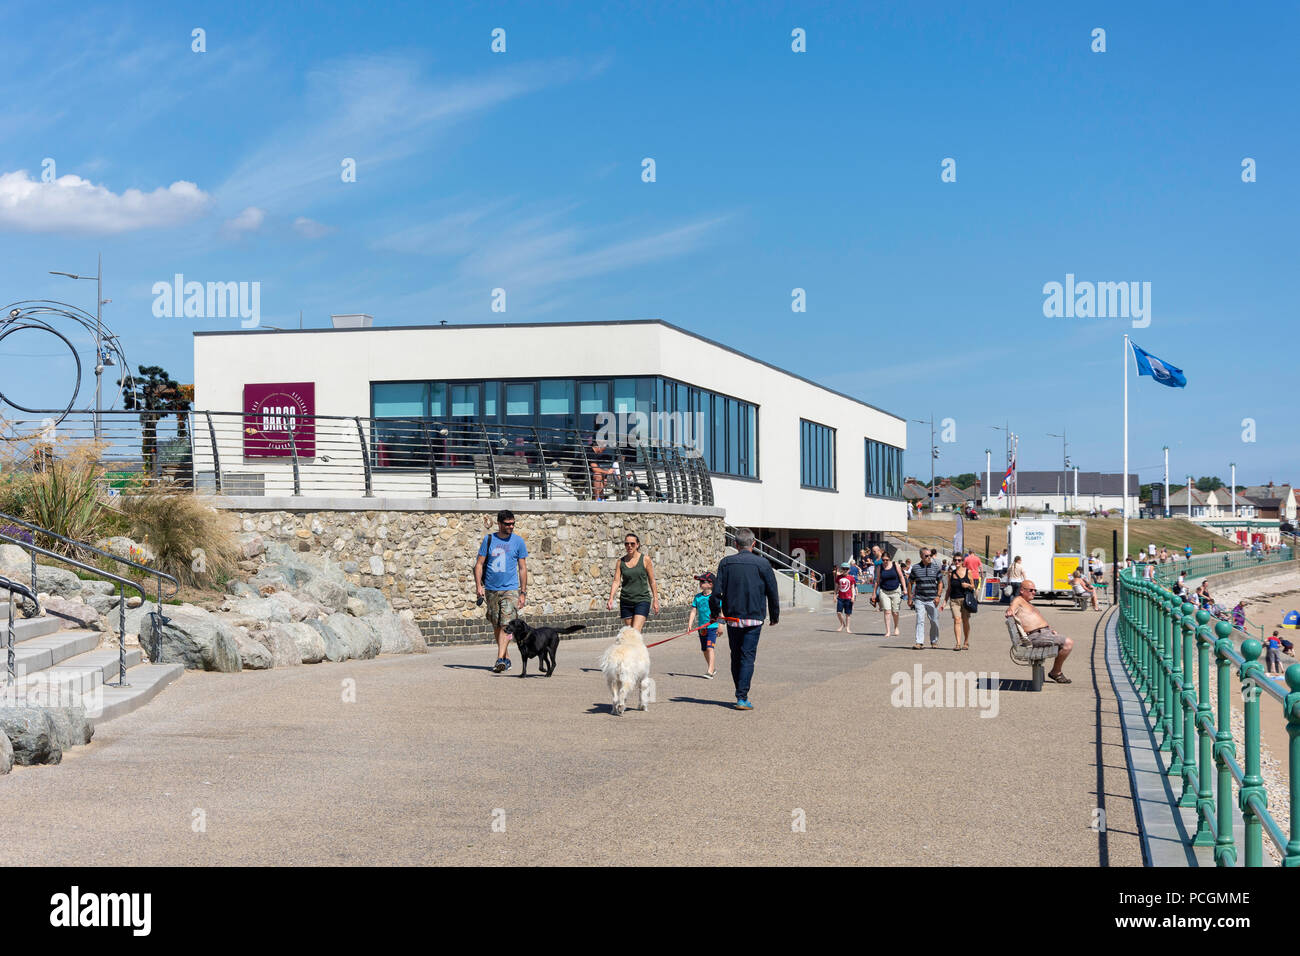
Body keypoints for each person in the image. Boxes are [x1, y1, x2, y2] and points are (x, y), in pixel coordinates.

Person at [713, 527, 781, 710]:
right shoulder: (763, 564)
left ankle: (740, 693)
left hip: (732, 618)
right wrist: (774, 615)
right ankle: (742, 697)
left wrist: (714, 615)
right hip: (754, 617)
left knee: (736, 656)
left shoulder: (726, 563)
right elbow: (772, 592)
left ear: (735, 544)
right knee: (747, 656)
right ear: (754, 543)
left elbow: (716, 593)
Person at [474, 509, 529, 674]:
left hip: (510, 590)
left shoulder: (518, 542)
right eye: (507, 524)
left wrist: (523, 592)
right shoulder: (489, 539)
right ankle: (506, 658)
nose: (511, 527)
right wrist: (478, 586)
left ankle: (499, 660)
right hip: (491, 590)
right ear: (499, 523)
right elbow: (479, 564)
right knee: (497, 625)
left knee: (506, 623)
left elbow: (522, 568)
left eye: (513, 523)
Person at [1006, 579, 1074, 683]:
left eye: (1035, 590)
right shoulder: (1019, 600)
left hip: (1043, 634)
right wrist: (1010, 611)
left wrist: (1050, 630)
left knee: (1066, 642)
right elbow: (1012, 607)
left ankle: (1056, 671)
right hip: (1035, 636)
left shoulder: (1027, 603)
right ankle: (1056, 672)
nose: (1034, 592)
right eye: (1031, 590)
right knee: (1068, 643)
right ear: (1022, 591)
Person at [607, 531, 659, 630]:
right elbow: (616, 581)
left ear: (637, 544)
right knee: (630, 633)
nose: (629, 546)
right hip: (626, 601)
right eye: (627, 544)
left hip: (642, 600)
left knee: (635, 631)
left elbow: (652, 581)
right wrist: (611, 598)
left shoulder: (645, 560)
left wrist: (655, 600)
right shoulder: (620, 562)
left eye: (632, 544)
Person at [907, 548, 944, 649]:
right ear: (921, 557)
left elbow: (940, 582)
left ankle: (934, 641)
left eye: (930, 556)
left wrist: (938, 596)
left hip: (932, 599)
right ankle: (919, 642)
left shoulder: (936, 567)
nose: (929, 558)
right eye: (926, 556)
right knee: (920, 620)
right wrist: (910, 597)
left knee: (934, 621)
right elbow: (910, 582)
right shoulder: (915, 568)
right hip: (919, 598)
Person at [688, 572, 719, 679]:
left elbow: (722, 612)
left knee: (710, 647)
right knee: (704, 649)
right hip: (701, 627)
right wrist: (690, 624)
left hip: (712, 626)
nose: (700, 583)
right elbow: (693, 611)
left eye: (702, 581)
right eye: (699, 581)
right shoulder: (698, 597)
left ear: (710, 584)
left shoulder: (715, 597)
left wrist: (720, 625)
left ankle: (710, 671)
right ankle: (712, 667)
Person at [946, 556, 976, 650]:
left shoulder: (968, 572)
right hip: (954, 600)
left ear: (962, 561)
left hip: (965, 600)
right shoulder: (951, 574)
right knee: (957, 620)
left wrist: (967, 585)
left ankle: (966, 641)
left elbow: (973, 586)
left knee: (965, 620)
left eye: (959, 560)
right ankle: (958, 643)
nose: (957, 562)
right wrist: (944, 602)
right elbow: (949, 589)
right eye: (955, 560)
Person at [874, 552, 905, 637]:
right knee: (887, 611)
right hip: (884, 591)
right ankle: (887, 631)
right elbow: (877, 581)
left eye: (886, 560)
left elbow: (901, 576)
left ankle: (896, 627)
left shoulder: (895, 565)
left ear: (890, 559)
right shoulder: (880, 567)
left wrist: (904, 589)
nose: (885, 561)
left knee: (895, 612)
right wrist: (874, 593)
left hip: (895, 591)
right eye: (883, 560)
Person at [834, 562, 856, 633]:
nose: (845, 570)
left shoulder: (851, 578)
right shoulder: (838, 577)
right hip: (840, 597)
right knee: (838, 612)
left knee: (848, 614)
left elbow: (852, 588)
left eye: (846, 569)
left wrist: (853, 597)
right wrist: (834, 595)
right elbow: (836, 587)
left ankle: (848, 627)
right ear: (841, 569)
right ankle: (842, 624)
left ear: (849, 570)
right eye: (843, 569)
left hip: (848, 598)